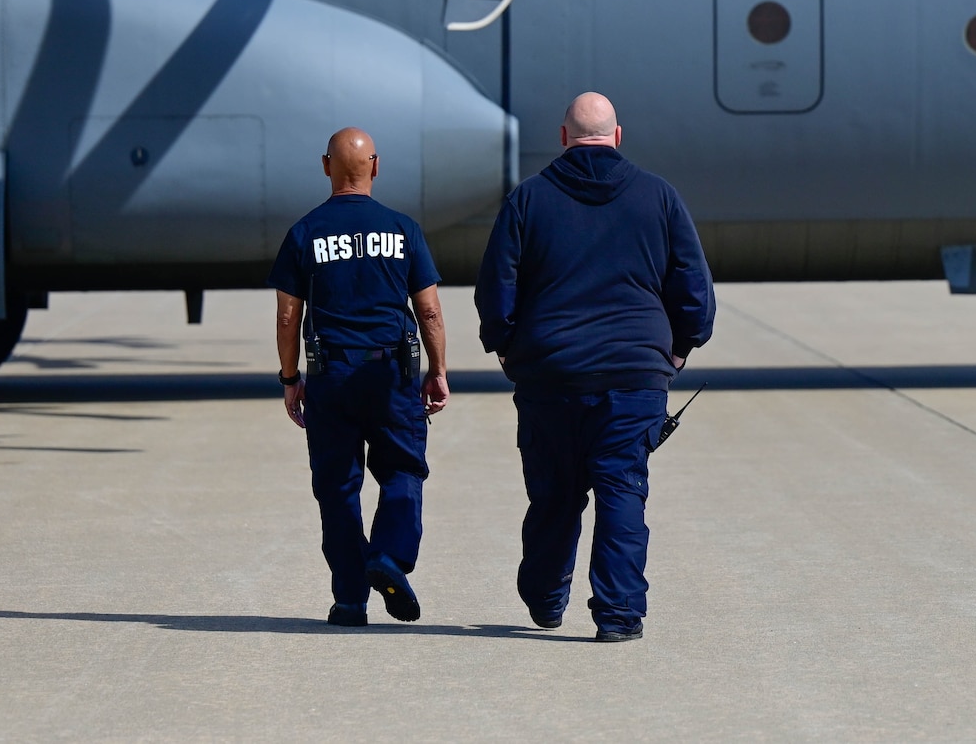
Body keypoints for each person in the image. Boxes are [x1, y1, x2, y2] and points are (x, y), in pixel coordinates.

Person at [475, 91, 715, 642]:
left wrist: (507, 347)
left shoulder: (528, 200)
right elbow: (694, 290)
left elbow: (496, 287)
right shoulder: (660, 197)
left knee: (554, 494)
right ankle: (618, 615)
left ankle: (544, 595)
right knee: (622, 490)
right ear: (618, 135)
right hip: (634, 379)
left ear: (563, 138)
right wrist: (680, 348)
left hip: (549, 376)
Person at [271, 126, 448, 628]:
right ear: (375, 166)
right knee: (402, 471)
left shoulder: (304, 232)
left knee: (337, 488)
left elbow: (288, 317)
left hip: (331, 374)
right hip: (392, 373)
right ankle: (389, 557)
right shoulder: (404, 229)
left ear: (327, 166)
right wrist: (437, 371)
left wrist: (290, 378)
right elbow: (429, 312)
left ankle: (350, 601)